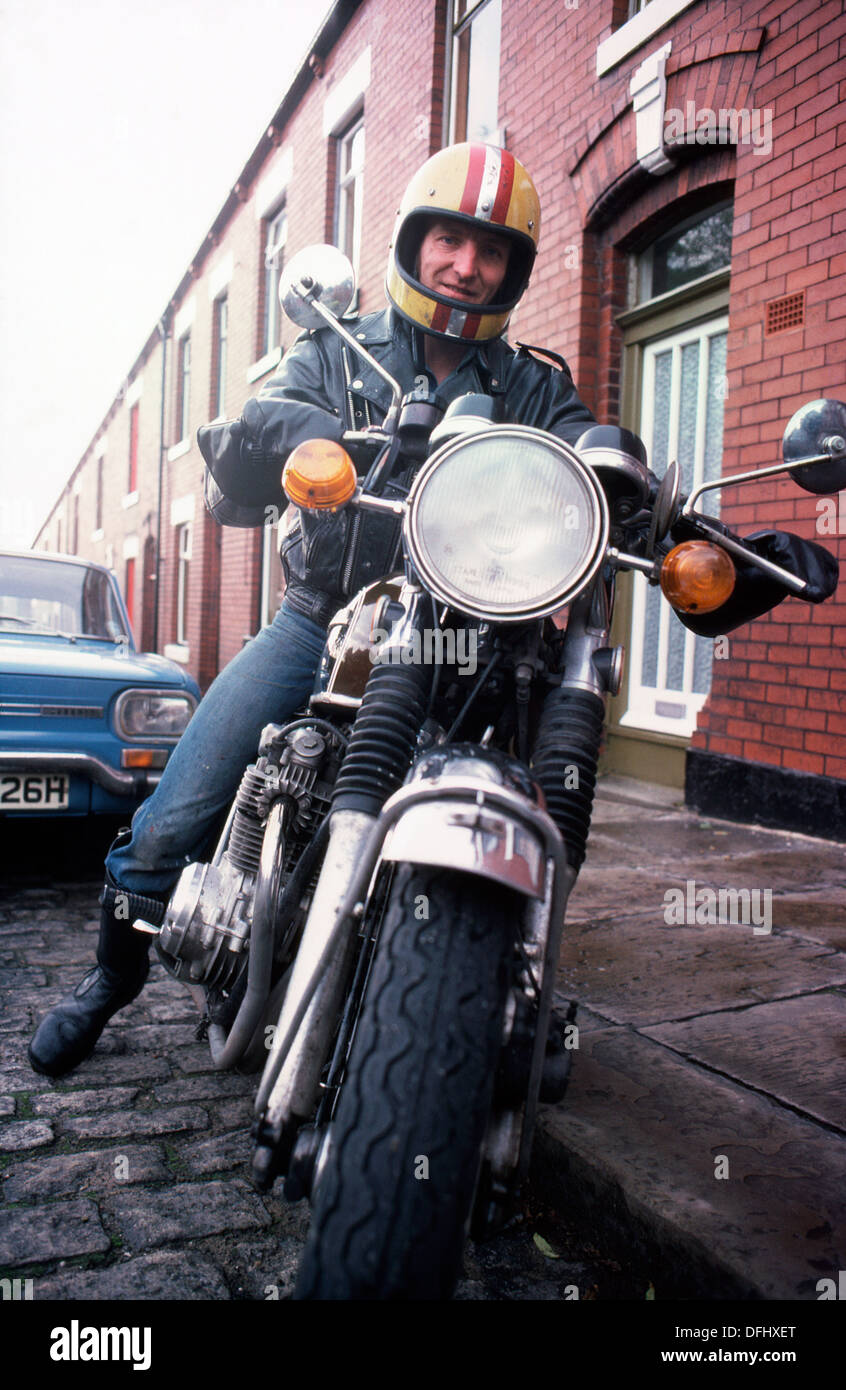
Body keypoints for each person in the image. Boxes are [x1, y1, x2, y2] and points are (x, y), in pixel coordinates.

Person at [29, 142, 596, 1079]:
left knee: (535, 792)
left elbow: (586, 451)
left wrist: (636, 484)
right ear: (415, 242)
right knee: (181, 805)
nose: (466, 266)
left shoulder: (535, 386)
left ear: (513, 269)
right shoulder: (341, 346)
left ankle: (506, 968)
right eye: (449, 240)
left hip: (472, 639)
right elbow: (263, 417)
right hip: (325, 616)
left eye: (489, 252)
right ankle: (108, 979)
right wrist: (306, 431)